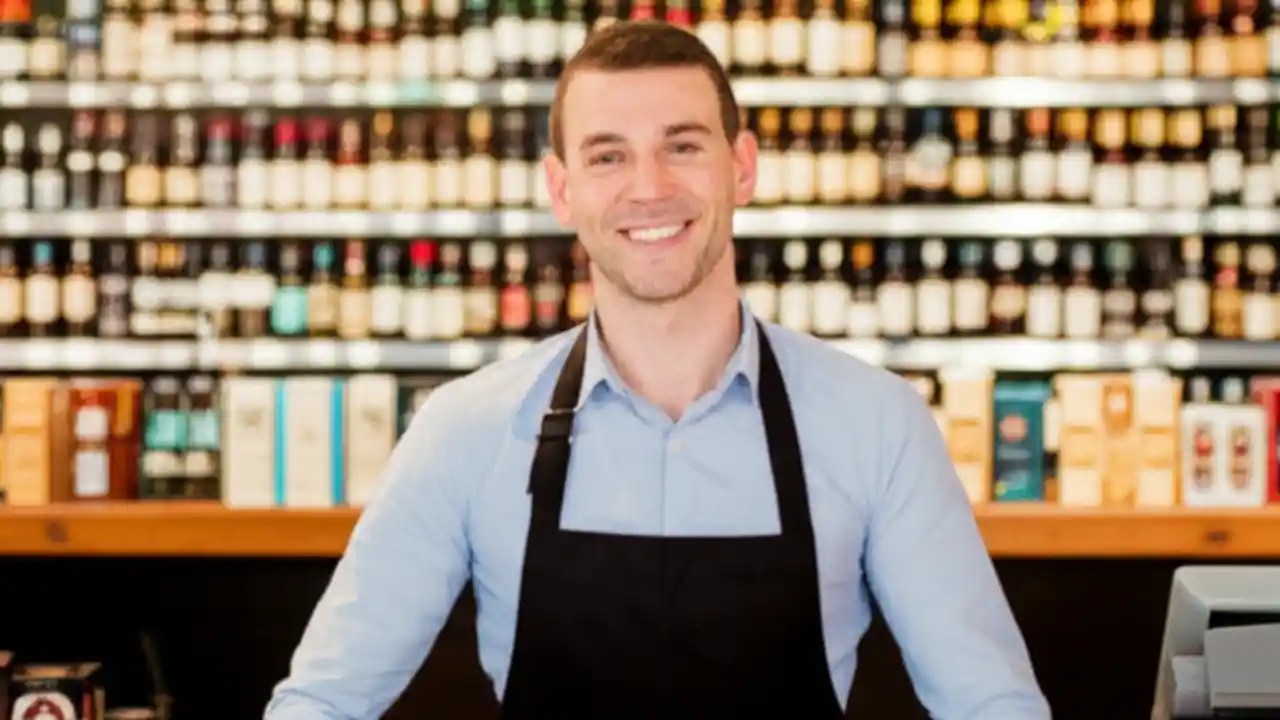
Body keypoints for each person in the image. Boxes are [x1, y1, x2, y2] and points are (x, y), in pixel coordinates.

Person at [265, 20, 1050, 719]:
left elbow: (992, 704)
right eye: (609, 156)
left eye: (683, 145)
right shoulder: (467, 430)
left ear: (741, 167)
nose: (649, 188)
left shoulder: (876, 423)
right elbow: (325, 700)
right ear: (562, 190)